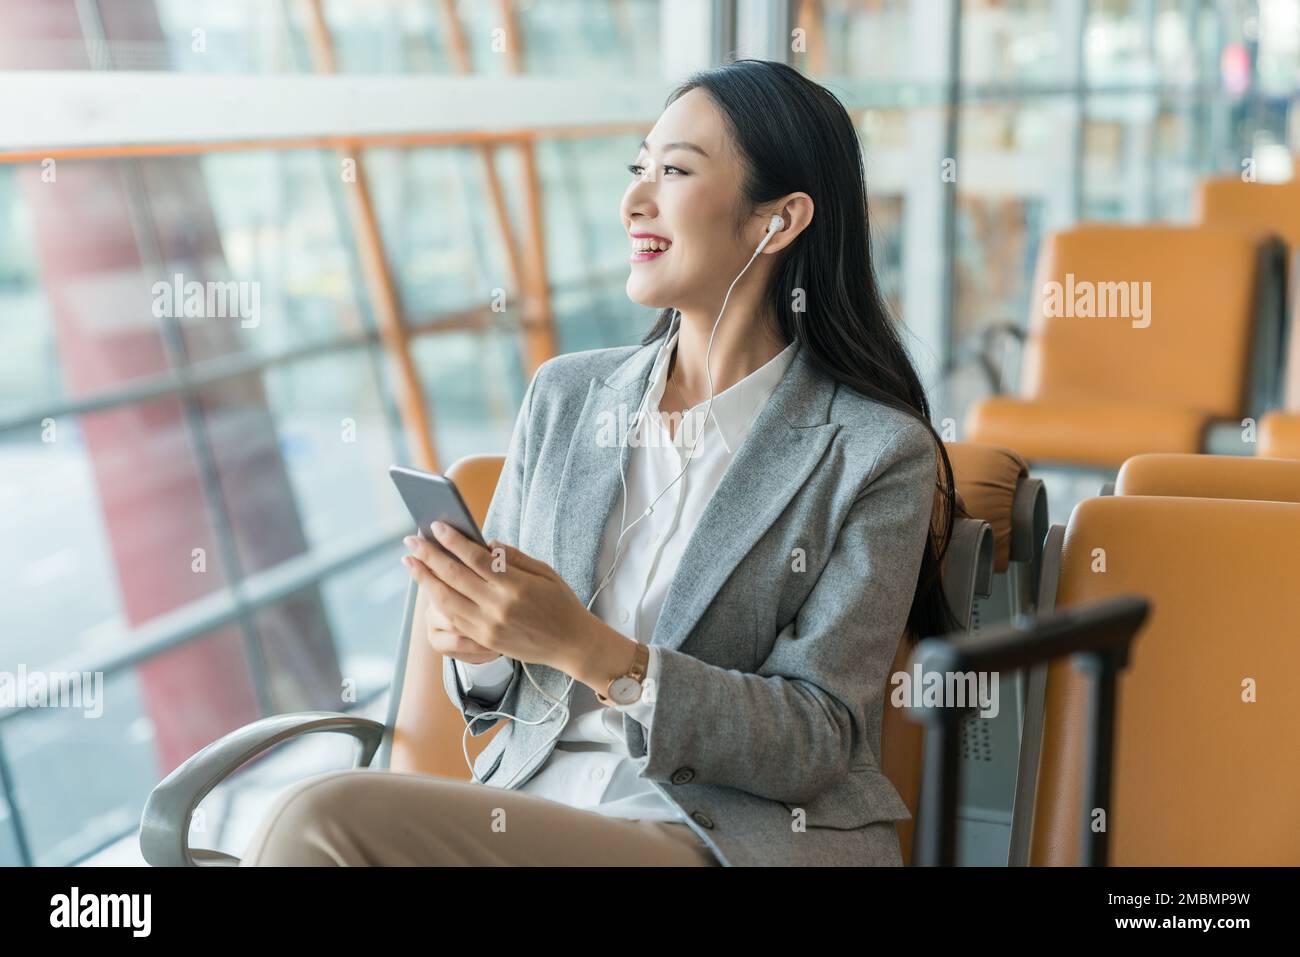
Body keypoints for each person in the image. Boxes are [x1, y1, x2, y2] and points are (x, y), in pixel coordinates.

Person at [240, 58, 957, 868]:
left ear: (778, 220)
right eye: (637, 168)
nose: (635, 201)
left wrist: (595, 651)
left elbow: (819, 736)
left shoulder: (873, 451)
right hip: (531, 812)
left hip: (717, 837)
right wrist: (477, 647)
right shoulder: (567, 396)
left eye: (676, 171)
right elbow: (504, 686)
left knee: (322, 818)